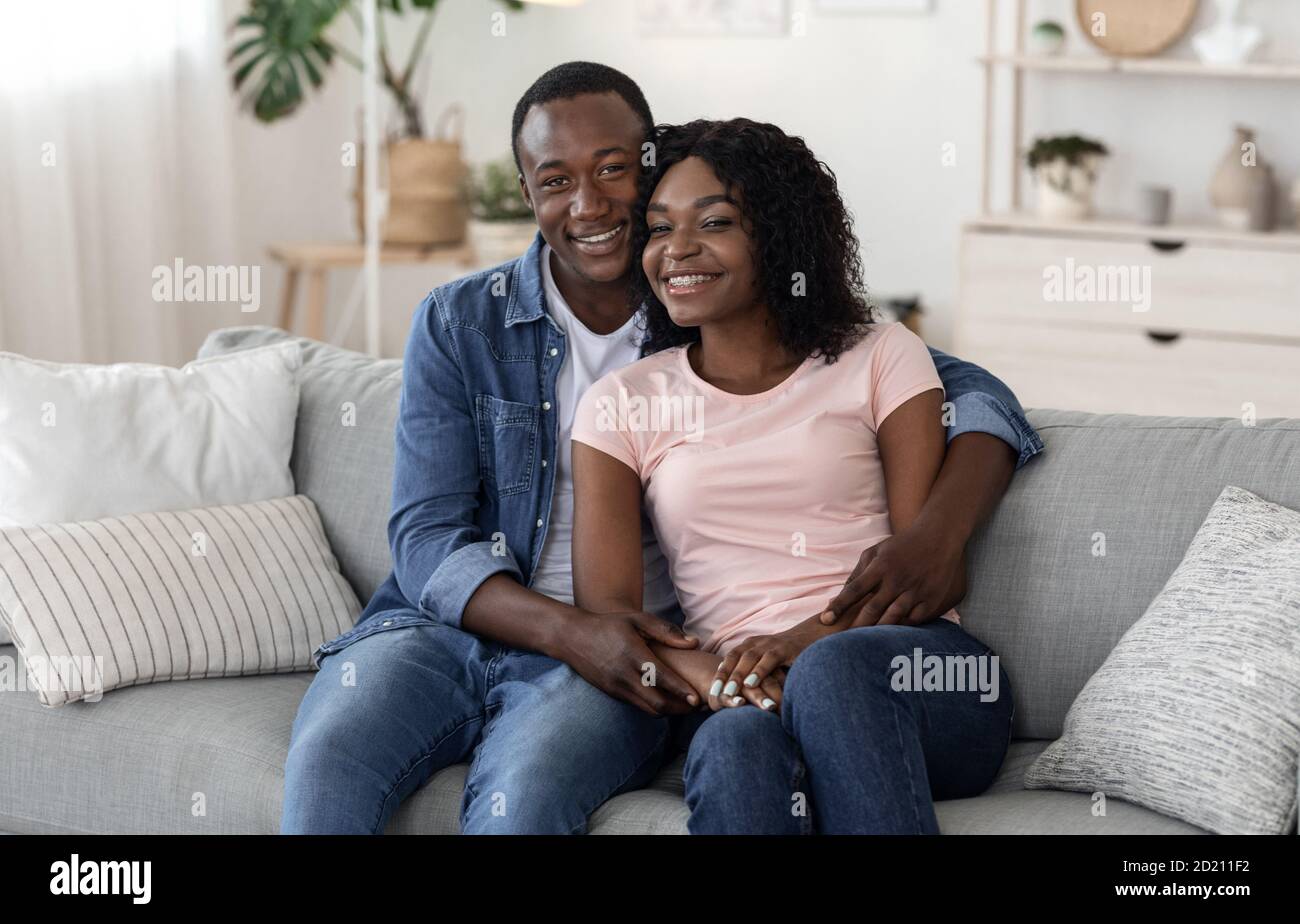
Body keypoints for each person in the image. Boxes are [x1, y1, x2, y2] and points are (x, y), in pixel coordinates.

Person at [280, 62, 1040, 835]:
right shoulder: (466, 322)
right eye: (555, 181)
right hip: (493, 636)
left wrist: (940, 533)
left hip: (678, 663)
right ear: (527, 195)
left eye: (614, 169)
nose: (589, 204)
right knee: (328, 767)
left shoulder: (753, 316)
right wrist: (585, 635)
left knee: (530, 799)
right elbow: (426, 539)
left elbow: (972, 394)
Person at [571, 118, 1015, 834]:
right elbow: (612, 617)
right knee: (731, 743)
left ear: (779, 236)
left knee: (834, 674)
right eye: (658, 229)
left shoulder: (882, 355)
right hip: (748, 697)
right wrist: (725, 680)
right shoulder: (622, 404)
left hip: (922, 678)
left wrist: (801, 645)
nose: (677, 249)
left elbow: (928, 576)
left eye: (714, 222)